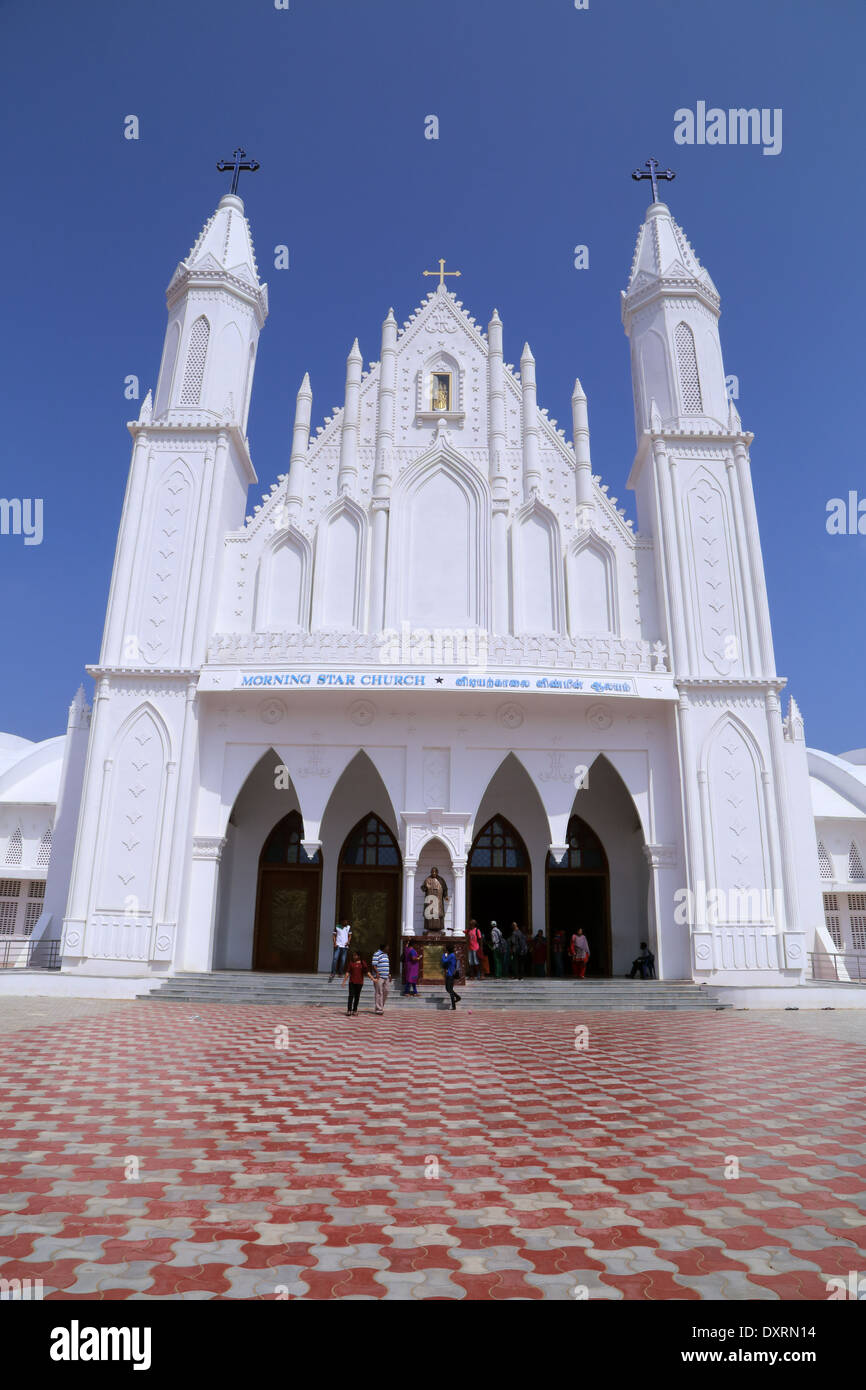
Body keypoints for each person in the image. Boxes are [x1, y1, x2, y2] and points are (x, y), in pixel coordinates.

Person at [342, 950, 369, 1014]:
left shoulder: (363, 963)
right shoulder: (351, 963)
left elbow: (367, 972)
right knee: (351, 996)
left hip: (359, 983)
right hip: (352, 982)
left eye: (355, 955)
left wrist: (373, 978)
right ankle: (349, 1010)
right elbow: (347, 972)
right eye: (353, 955)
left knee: (357, 996)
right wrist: (344, 981)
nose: (354, 956)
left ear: (358, 956)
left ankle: (355, 1010)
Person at [329, 917, 352, 981]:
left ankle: (340, 973)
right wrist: (334, 943)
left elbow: (350, 935)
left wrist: (348, 942)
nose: (346, 922)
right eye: (345, 921)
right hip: (338, 945)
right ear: (342, 921)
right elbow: (334, 935)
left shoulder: (348, 927)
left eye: (347, 921)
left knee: (343, 960)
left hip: (345, 946)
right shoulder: (337, 927)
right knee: (335, 959)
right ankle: (333, 973)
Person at [371, 942, 391, 1013]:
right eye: (387, 947)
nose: (388, 948)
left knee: (386, 991)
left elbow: (386, 965)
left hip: (386, 976)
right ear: (384, 947)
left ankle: (380, 1006)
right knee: (379, 992)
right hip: (379, 977)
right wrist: (377, 973)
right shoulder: (377, 954)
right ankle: (379, 1009)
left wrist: (389, 974)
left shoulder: (386, 955)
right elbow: (374, 965)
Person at [441, 946, 461, 1010]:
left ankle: (453, 1006)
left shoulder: (451, 955)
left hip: (451, 975)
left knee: (450, 989)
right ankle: (457, 997)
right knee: (448, 989)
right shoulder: (451, 955)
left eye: (446, 949)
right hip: (448, 974)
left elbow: (444, 960)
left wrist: (444, 954)